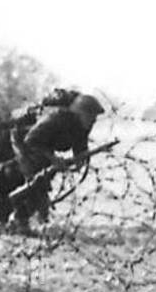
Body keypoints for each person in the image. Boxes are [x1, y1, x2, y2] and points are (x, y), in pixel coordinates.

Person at [9, 92, 106, 229]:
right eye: (90, 116)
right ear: (79, 113)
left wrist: (80, 160)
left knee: (45, 177)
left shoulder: (82, 126)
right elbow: (31, 140)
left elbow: (80, 145)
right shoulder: (57, 119)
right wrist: (53, 158)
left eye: (95, 117)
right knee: (35, 175)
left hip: (44, 144)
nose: (93, 120)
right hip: (24, 139)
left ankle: (40, 214)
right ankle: (20, 219)